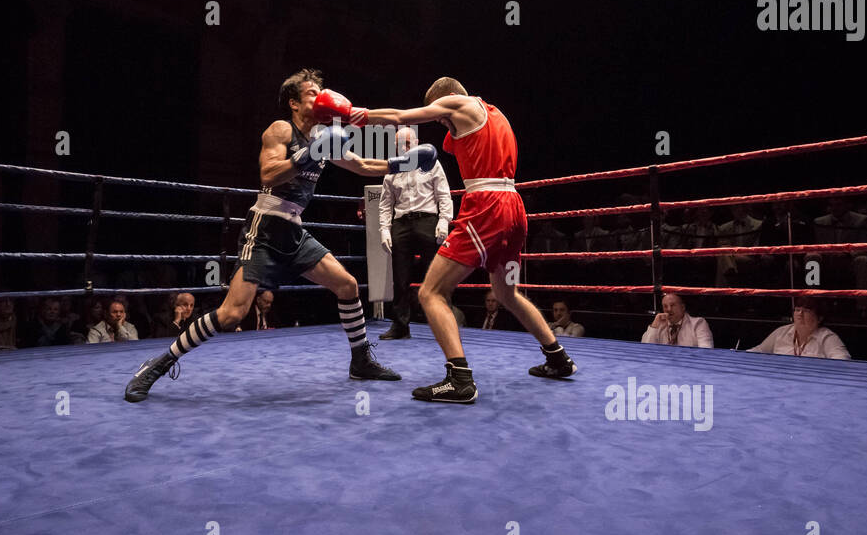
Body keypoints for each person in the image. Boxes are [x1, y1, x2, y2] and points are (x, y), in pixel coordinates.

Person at [123, 69, 414, 402]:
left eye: (320, 91)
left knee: (347, 285)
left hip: (293, 230)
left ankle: (361, 361)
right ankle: (157, 365)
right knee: (233, 313)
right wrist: (308, 154)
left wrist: (400, 164)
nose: (318, 96)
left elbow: (361, 165)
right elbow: (268, 173)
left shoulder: (322, 134)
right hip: (264, 228)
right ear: (293, 102)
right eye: (310, 93)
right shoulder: (281, 129)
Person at [360, 76, 578, 403]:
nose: (442, 121)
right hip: (512, 207)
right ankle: (559, 358)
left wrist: (356, 115)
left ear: (448, 98)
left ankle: (459, 379)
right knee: (507, 292)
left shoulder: (461, 103)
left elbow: (401, 117)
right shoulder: (495, 115)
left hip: (486, 206)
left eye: (440, 113)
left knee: (431, 292)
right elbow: (452, 141)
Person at [378, 125, 453, 340]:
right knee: (400, 279)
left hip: (427, 221)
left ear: (417, 144)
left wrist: (444, 221)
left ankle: (445, 325)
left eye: (408, 144)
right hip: (401, 224)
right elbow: (385, 204)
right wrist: (384, 230)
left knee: (437, 275)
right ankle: (400, 326)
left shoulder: (431, 163)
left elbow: (444, 195)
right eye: (401, 145)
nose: (404, 148)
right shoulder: (392, 168)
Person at [747, 295, 850, 359]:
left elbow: (842, 361)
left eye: (806, 311)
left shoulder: (827, 337)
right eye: (797, 309)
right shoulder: (781, 332)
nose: (800, 314)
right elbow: (758, 351)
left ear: (819, 318)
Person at [640, 292, 714, 347]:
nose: (668, 309)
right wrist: (654, 326)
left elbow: (706, 351)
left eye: (672, 305)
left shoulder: (698, 323)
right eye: (665, 306)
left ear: (682, 307)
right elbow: (646, 350)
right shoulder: (659, 325)